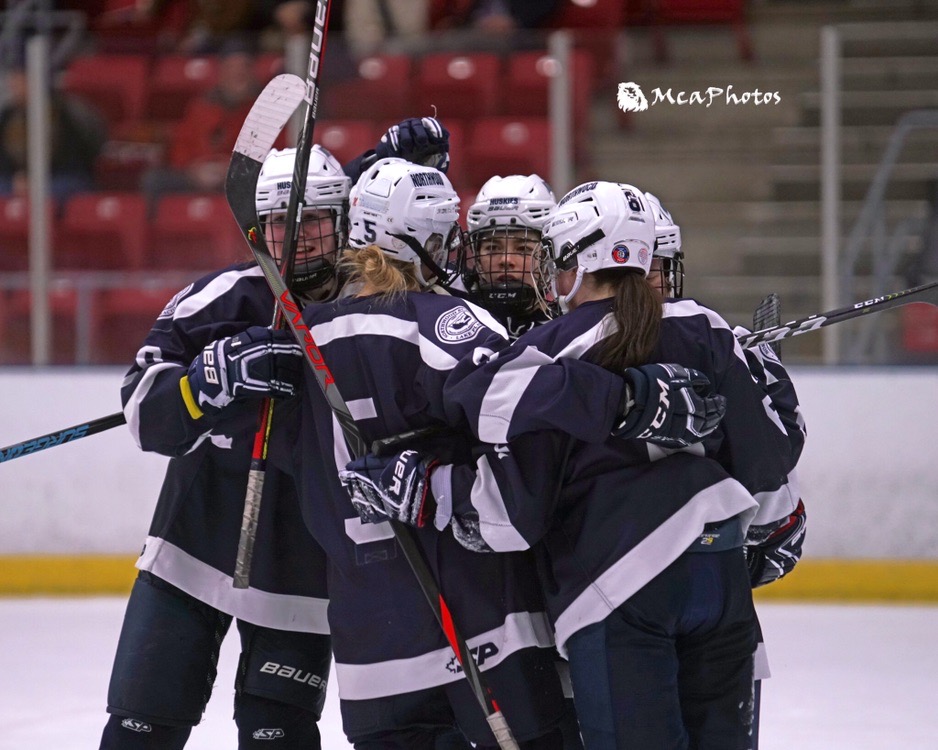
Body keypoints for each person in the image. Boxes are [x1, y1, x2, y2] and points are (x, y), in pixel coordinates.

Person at [278, 159, 725, 748]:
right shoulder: (445, 324)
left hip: (367, 631)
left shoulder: (298, 340)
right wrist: (626, 399)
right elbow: (508, 405)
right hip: (482, 610)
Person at [100, 118, 452, 749]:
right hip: (192, 549)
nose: (301, 240)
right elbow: (142, 406)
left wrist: (392, 165)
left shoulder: (370, 313)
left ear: (344, 223)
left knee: (276, 736)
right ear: (258, 230)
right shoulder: (221, 300)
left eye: (317, 220)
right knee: (139, 725)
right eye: (283, 225)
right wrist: (209, 380)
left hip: (303, 570)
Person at [645, 189, 807, 750]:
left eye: (659, 271)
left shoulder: (707, 347)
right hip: (619, 617)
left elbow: (776, 534)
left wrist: (755, 387)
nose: (650, 287)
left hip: (703, 616)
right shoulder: (572, 356)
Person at [140, 36, 265, 209]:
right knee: (154, 179)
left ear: (252, 72)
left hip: (241, 181)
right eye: (231, 68)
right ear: (221, 72)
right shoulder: (200, 107)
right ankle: (153, 234)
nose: (238, 74)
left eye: (244, 67)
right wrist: (193, 171)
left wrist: (231, 172)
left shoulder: (266, 109)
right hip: (197, 176)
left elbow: (274, 158)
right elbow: (180, 148)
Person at [463, 173, 555, 340]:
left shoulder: (568, 333)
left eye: (523, 249)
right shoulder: (455, 321)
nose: (506, 260)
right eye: (492, 248)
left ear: (548, 256)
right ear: (476, 256)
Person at [0, 62, 106, 200]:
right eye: (13, 78)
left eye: (20, 79)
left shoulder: (67, 112)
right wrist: (17, 178)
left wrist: (36, 181)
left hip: (62, 179)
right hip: (16, 181)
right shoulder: (7, 115)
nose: (13, 84)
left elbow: (81, 155)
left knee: (60, 191)